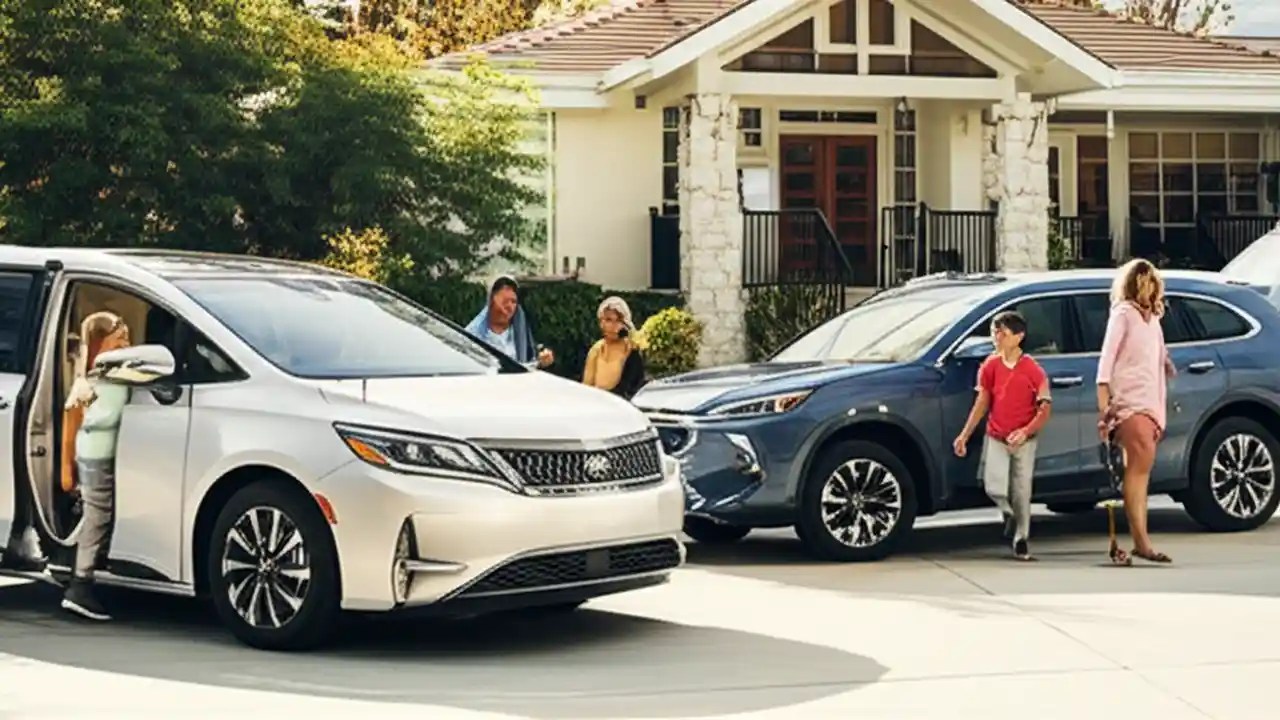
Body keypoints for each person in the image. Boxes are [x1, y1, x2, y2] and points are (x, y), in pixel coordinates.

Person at [952, 311, 1052, 561]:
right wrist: (965, 435)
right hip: (997, 434)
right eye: (994, 332)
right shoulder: (990, 366)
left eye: (1003, 333)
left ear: (1018, 337)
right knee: (994, 486)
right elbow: (983, 401)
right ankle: (1009, 514)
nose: (997, 337)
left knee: (1021, 490)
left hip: (1023, 440)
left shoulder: (1032, 370)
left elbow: (1045, 406)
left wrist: (1026, 431)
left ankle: (1022, 537)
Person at [1096, 258, 1176, 566]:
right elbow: (1107, 360)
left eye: (1153, 282)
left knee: (1142, 469)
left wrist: (1166, 362)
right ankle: (1142, 541)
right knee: (1140, 466)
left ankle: (1141, 538)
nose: (1150, 287)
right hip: (1129, 402)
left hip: (1152, 401)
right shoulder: (1123, 315)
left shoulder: (1152, 319)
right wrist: (1105, 407)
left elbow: (1157, 350)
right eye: (1145, 282)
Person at [60, 311, 132, 621]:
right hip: (98, 453)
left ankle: (69, 558)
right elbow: (84, 419)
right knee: (99, 516)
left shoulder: (92, 374)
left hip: (94, 451)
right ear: (104, 341)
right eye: (121, 337)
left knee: (97, 511)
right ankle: (81, 583)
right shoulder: (109, 374)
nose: (127, 343)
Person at [464, 275, 554, 369]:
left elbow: (529, 362)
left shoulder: (520, 333)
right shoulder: (472, 335)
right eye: (504, 301)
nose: (509, 307)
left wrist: (542, 360)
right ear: (491, 302)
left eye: (513, 302)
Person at [582, 296, 647, 399]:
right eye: (608, 320)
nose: (613, 326)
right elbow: (587, 385)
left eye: (618, 321)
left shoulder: (631, 350)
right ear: (601, 322)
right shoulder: (597, 349)